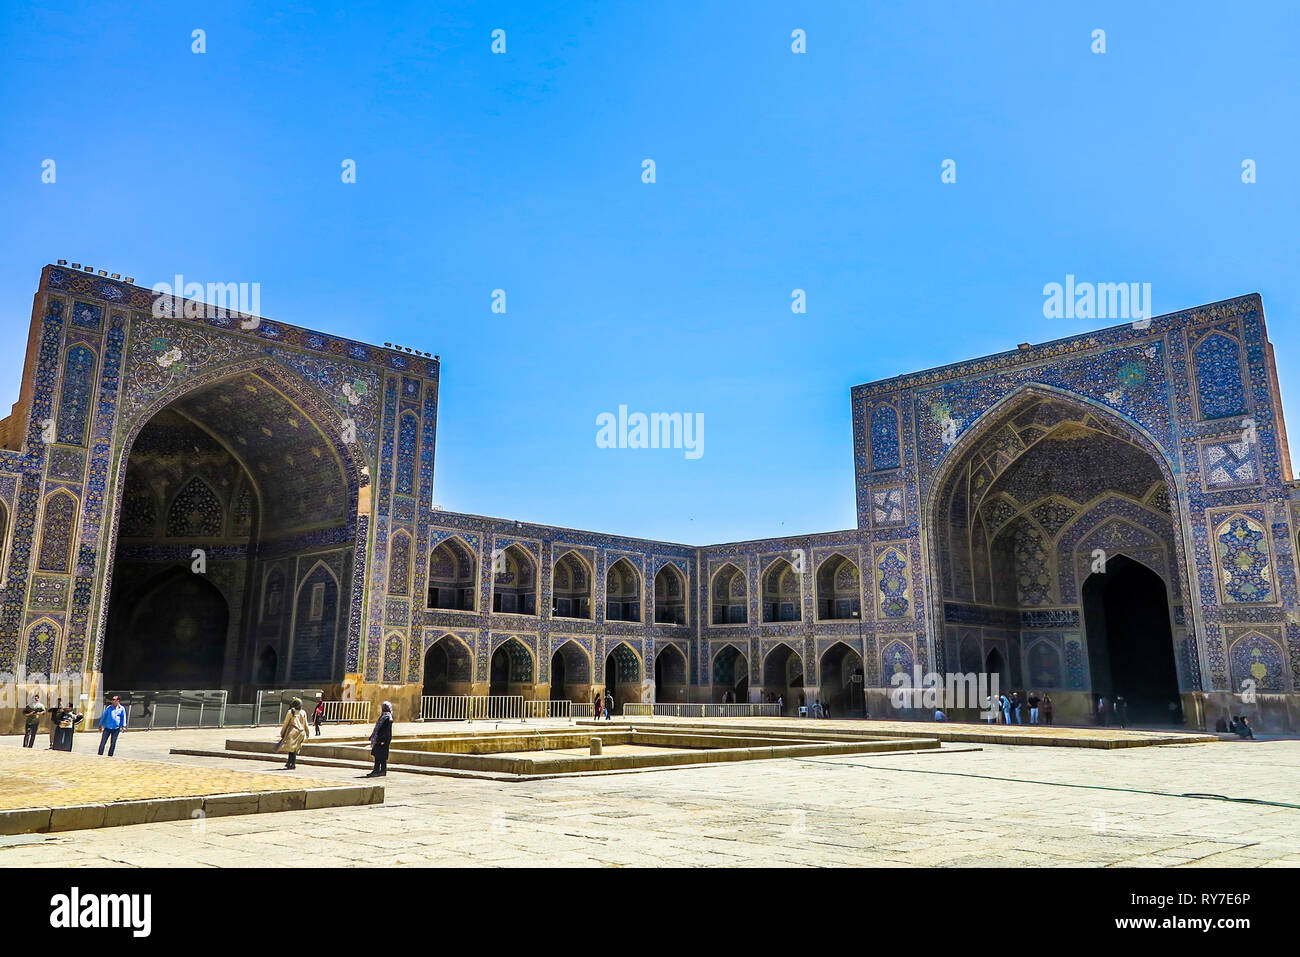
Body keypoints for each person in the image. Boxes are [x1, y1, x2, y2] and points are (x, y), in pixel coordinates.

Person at [275, 697, 310, 769]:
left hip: (293, 732)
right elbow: (306, 724)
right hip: (301, 732)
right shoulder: (303, 712)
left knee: (291, 748)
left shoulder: (290, 712)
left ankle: (292, 763)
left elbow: (286, 723)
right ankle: (289, 762)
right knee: (294, 748)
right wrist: (307, 732)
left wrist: (282, 732)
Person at [367, 701, 393, 777]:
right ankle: (379, 770)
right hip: (379, 739)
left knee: (381, 756)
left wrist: (383, 740)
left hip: (383, 740)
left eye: (385, 707)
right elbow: (377, 728)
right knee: (378, 755)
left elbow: (386, 731)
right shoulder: (383, 717)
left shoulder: (387, 718)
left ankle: (380, 771)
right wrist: (373, 736)